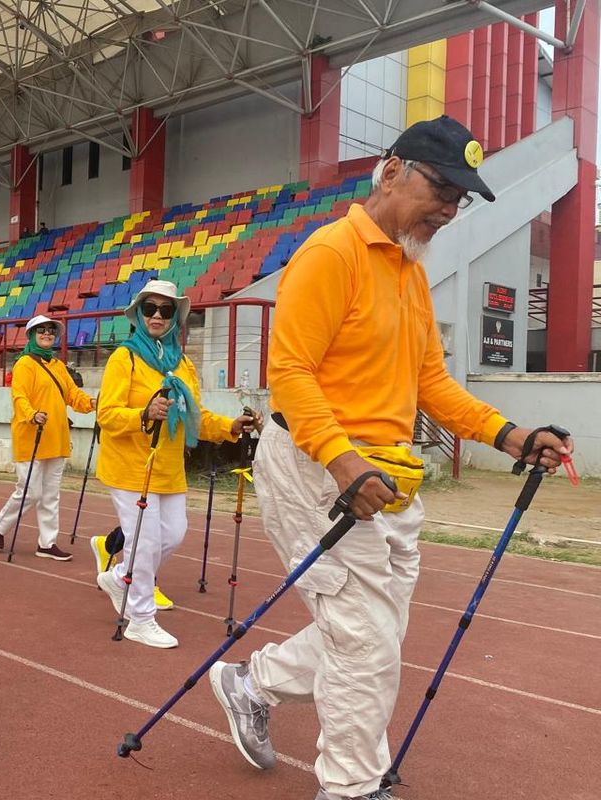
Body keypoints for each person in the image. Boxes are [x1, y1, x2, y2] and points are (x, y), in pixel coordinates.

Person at [207, 116, 574, 800]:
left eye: (460, 198)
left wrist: (511, 435)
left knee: (370, 633)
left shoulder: (408, 269)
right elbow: (290, 371)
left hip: (387, 475)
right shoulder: (331, 253)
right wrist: (345, 463)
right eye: (442, 188)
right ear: (393, 170)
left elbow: (431, 384)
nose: (448, 208)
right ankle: (350, 787)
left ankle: (250, 682)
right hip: (321, 468)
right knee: (366, 640)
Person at [94, 279, 254, 648]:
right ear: (138, 314)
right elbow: (107, 414)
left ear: (175, 318)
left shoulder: (183, 364)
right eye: (150, 309)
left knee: (173, 534)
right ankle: (140, 617)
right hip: (129, 464)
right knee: (145, 541)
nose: (157, 316)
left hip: (168, 465)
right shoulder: (126, 358)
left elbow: (196, 417)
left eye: (166, 311)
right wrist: (144, 413)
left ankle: (120, 578)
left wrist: (229, 426)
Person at [0, 315, 94, 561]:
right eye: (41, 330)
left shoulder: (57, 365)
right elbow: (19, 396)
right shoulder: (24, 364)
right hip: (31, 435)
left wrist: (92, 404)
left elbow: (72, 395)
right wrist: (32, 414)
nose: (47, 334)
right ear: (31, 335)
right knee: (29, 491)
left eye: (51, 331)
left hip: (56, 437)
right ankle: (0, 523)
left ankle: (47, 543)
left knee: (50, 494)